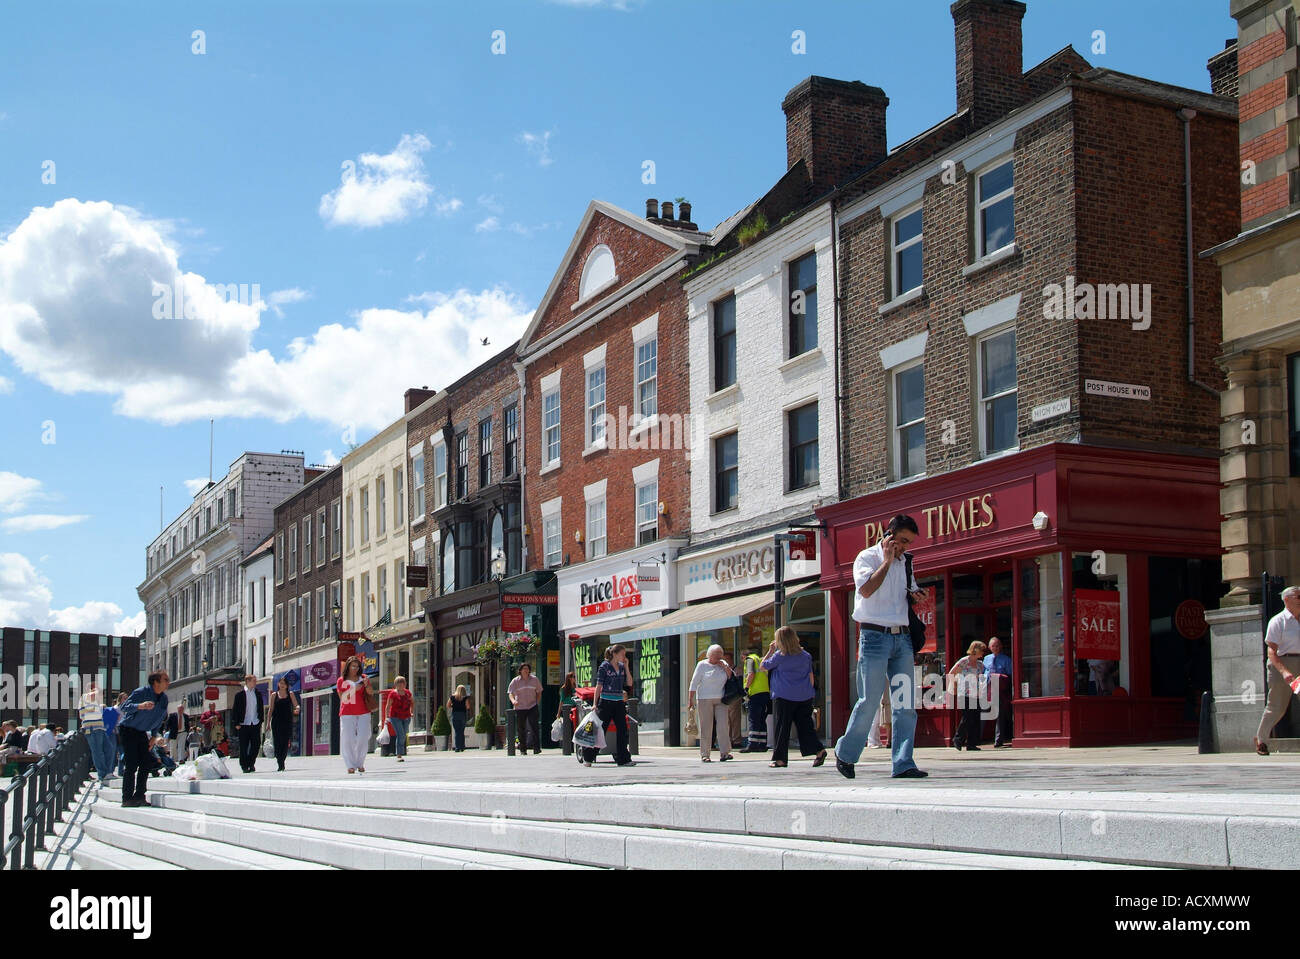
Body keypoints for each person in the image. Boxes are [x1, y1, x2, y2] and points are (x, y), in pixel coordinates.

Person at [835, 514, 928, 780]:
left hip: (902, 637)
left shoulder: (906, 562)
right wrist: (887, 561)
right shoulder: (867, 558)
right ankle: (846, 753)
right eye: (901, 541)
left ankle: (903, 763)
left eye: (909, 543)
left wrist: (916, 595)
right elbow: (865, 591)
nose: (904, 547)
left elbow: (906, 593)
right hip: (874, 636)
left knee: (905, 704)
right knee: (869, 701)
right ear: (888, 535)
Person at [762, 626, 827, 768]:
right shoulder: (806, 655)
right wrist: (810, 693)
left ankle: (780, 759)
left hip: (784, 695)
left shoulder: (780, 655)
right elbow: (810, 676)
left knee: (782, 728)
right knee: (805, 726)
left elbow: (763, 666)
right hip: (804, 695)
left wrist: (770, 650)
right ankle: (819, 750)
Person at [1256, 585, 1300, 755]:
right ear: (1287, 599)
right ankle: (1261, 740)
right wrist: (1284, 671)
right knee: (1277, 706)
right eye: (1299, 596)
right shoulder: (1277, 621)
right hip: (1282, 663)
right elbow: (1271, 651)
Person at [118, 671, 170, 807]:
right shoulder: (141, 692)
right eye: (165, 680)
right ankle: (127, 798)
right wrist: (140, 706)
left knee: (146, 763)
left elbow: (159, 718)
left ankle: (140, 796)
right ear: (156, 682)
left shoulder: (164, 699)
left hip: (142, 732)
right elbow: (123, 707)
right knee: (131, 764)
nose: (168, 682)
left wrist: (154, 735)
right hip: (128, 729)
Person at [688, 645, 735, 763]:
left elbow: (731, 677)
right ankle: (705, 754)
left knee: (723, 725)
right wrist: (690, 699)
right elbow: (694, 682)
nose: (717, 658)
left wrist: (725, 667)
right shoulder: (702, 665)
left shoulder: (722, 663)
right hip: (705, 698)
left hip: (721, 698)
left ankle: (725, 752)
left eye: (720, 655)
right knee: (706, 727)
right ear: (709, 655)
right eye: (715, 656)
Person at [593, 645, 634, 766]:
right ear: (615, 654)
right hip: (606, 702)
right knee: (601, 729)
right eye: (622, 654)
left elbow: (629, 683)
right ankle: (589, 755)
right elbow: (599, 686)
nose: (624, 656)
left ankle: (623, 758)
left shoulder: (621, 667)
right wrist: (595, 703)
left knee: (622, 730)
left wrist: (626, 666)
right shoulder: (604, 667)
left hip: (619, 702)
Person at [948, 641, 988, 751]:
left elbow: (981, 678)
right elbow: (951, 672)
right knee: (967, 717)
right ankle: (958, 738)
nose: (983, 653)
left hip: (976, 694)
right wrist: (955, 685)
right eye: (982, 650)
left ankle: (971, 743)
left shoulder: (980, 664)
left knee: (975, 718)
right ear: (976, 650)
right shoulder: (964, 661)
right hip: (964, 693)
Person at [337, 656, 372, 774]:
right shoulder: (341, 680)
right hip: (347, 712)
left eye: (357, 666)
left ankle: (360, 762)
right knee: (348, 738)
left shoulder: (364, 678)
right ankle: (350, 765)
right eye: (353, 666)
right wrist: (354, 689)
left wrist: (366, 685)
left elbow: (371, 693)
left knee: (363, 736)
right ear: (348, 666)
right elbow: (342, 698)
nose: (355, 669)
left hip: (363, 711)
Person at [79, 682, 115, 782]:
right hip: (92, 728)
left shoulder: (93, 700)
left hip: (99, 728)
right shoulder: (85, 696)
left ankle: (107, 772)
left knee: (109, 749)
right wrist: (96, 691)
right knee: (98, 752)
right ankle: (102, 774)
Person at [982, 636, 1014, 747]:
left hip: (1000, 690)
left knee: (999, 714)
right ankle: (978, 737)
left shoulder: (1006, 660)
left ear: (1000, 646)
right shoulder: (986, 659)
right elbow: (983, 672)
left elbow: (1010, 675)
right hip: (987, 688)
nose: (995, 648)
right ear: (989, 647)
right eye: (993, 646)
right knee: (983, 713)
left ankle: (998, 739)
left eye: (997, 645)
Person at [507, 663, 544, 755]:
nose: (526, 670)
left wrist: (537, 702)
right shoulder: (515, 681)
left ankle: (536, 748)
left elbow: (539, 691)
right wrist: (513, 701)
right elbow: (510, 693)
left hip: (532, 706)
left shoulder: (534, 680)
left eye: (527, 668)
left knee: (534, 727)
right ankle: (523, 749)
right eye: (524, 669)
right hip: (520, 707)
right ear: (520, 670)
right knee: (521, 728)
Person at [741, 644, 770, 753]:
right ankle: (762, 744)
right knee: (762, 719)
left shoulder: (750, 660)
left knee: (753, 718)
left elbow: (751, 674)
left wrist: (746, 688)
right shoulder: (758, 659)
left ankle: (752, 744)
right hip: (765, 692)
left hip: (755, 692)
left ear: (744, 656)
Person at [232, 674, 264, 774]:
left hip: (255, 722)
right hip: (243, 724)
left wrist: (261, 720)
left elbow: (260, 708)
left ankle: (251, 762)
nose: (255, 682)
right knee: (244, 746)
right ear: (248, 681)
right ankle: (244, 765)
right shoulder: (240, 695)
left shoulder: (257, 694)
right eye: (253, 681)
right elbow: (235, 710)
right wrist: (236, 723)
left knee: (256, 744)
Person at [268, 676, 300, 771]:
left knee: (285, 742)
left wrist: (297, 708)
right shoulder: (274, 695)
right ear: (278, 684)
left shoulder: (290, 694)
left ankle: (282, 760)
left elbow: (296, 704)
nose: (282, 685)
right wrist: (268, 723)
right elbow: (271, 709)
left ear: (287, 685)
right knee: (277, 743)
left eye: (284, 684)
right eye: (281, 683)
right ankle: (280, 762)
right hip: (276, 722)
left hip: (287, 721)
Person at [384, 676, 412, 762]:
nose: (401, 685)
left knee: (404, 733)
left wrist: (411, 712)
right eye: (399, 684)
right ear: (395, 685)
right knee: (401, 734)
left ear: (405, 684)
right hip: (395, 717)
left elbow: (412, 702)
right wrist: (386, 717)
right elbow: (388, 706)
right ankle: (399, 754)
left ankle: (401, 751)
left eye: (402, 683)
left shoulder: (407, 693)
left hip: (406, 716)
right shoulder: (393, 694)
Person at [557, 673, 580, 754]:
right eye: (573, 677)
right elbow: (561, 701)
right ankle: (569, 748)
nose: (574, 678)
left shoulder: (578, 687)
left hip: (576, 708)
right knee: (568, 728)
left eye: (575, 677)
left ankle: (577, 746)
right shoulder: (564, 688)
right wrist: (558, 713)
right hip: (567, 709)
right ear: (568, 678)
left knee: (576, 728)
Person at [104, 692, 126, 776]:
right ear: (120, 699)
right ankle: (110, 771)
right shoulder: (115, 708)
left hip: (124, 731)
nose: (126, 700)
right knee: (113, 751)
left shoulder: (127, 708)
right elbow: (112, 720)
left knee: (122, 751)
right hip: (115, 731)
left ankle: (120, 771)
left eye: (126, 698)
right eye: (124, 698)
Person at [447, 685, 471, 752]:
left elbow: (448, 705)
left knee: (457, 731)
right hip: (462, 714)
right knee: (461, 731)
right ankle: (462, 746)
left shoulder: (452, 697)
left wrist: (453, 706)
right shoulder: (465, 698)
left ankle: (457, 747)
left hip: (455, 714)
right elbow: (468, 706)